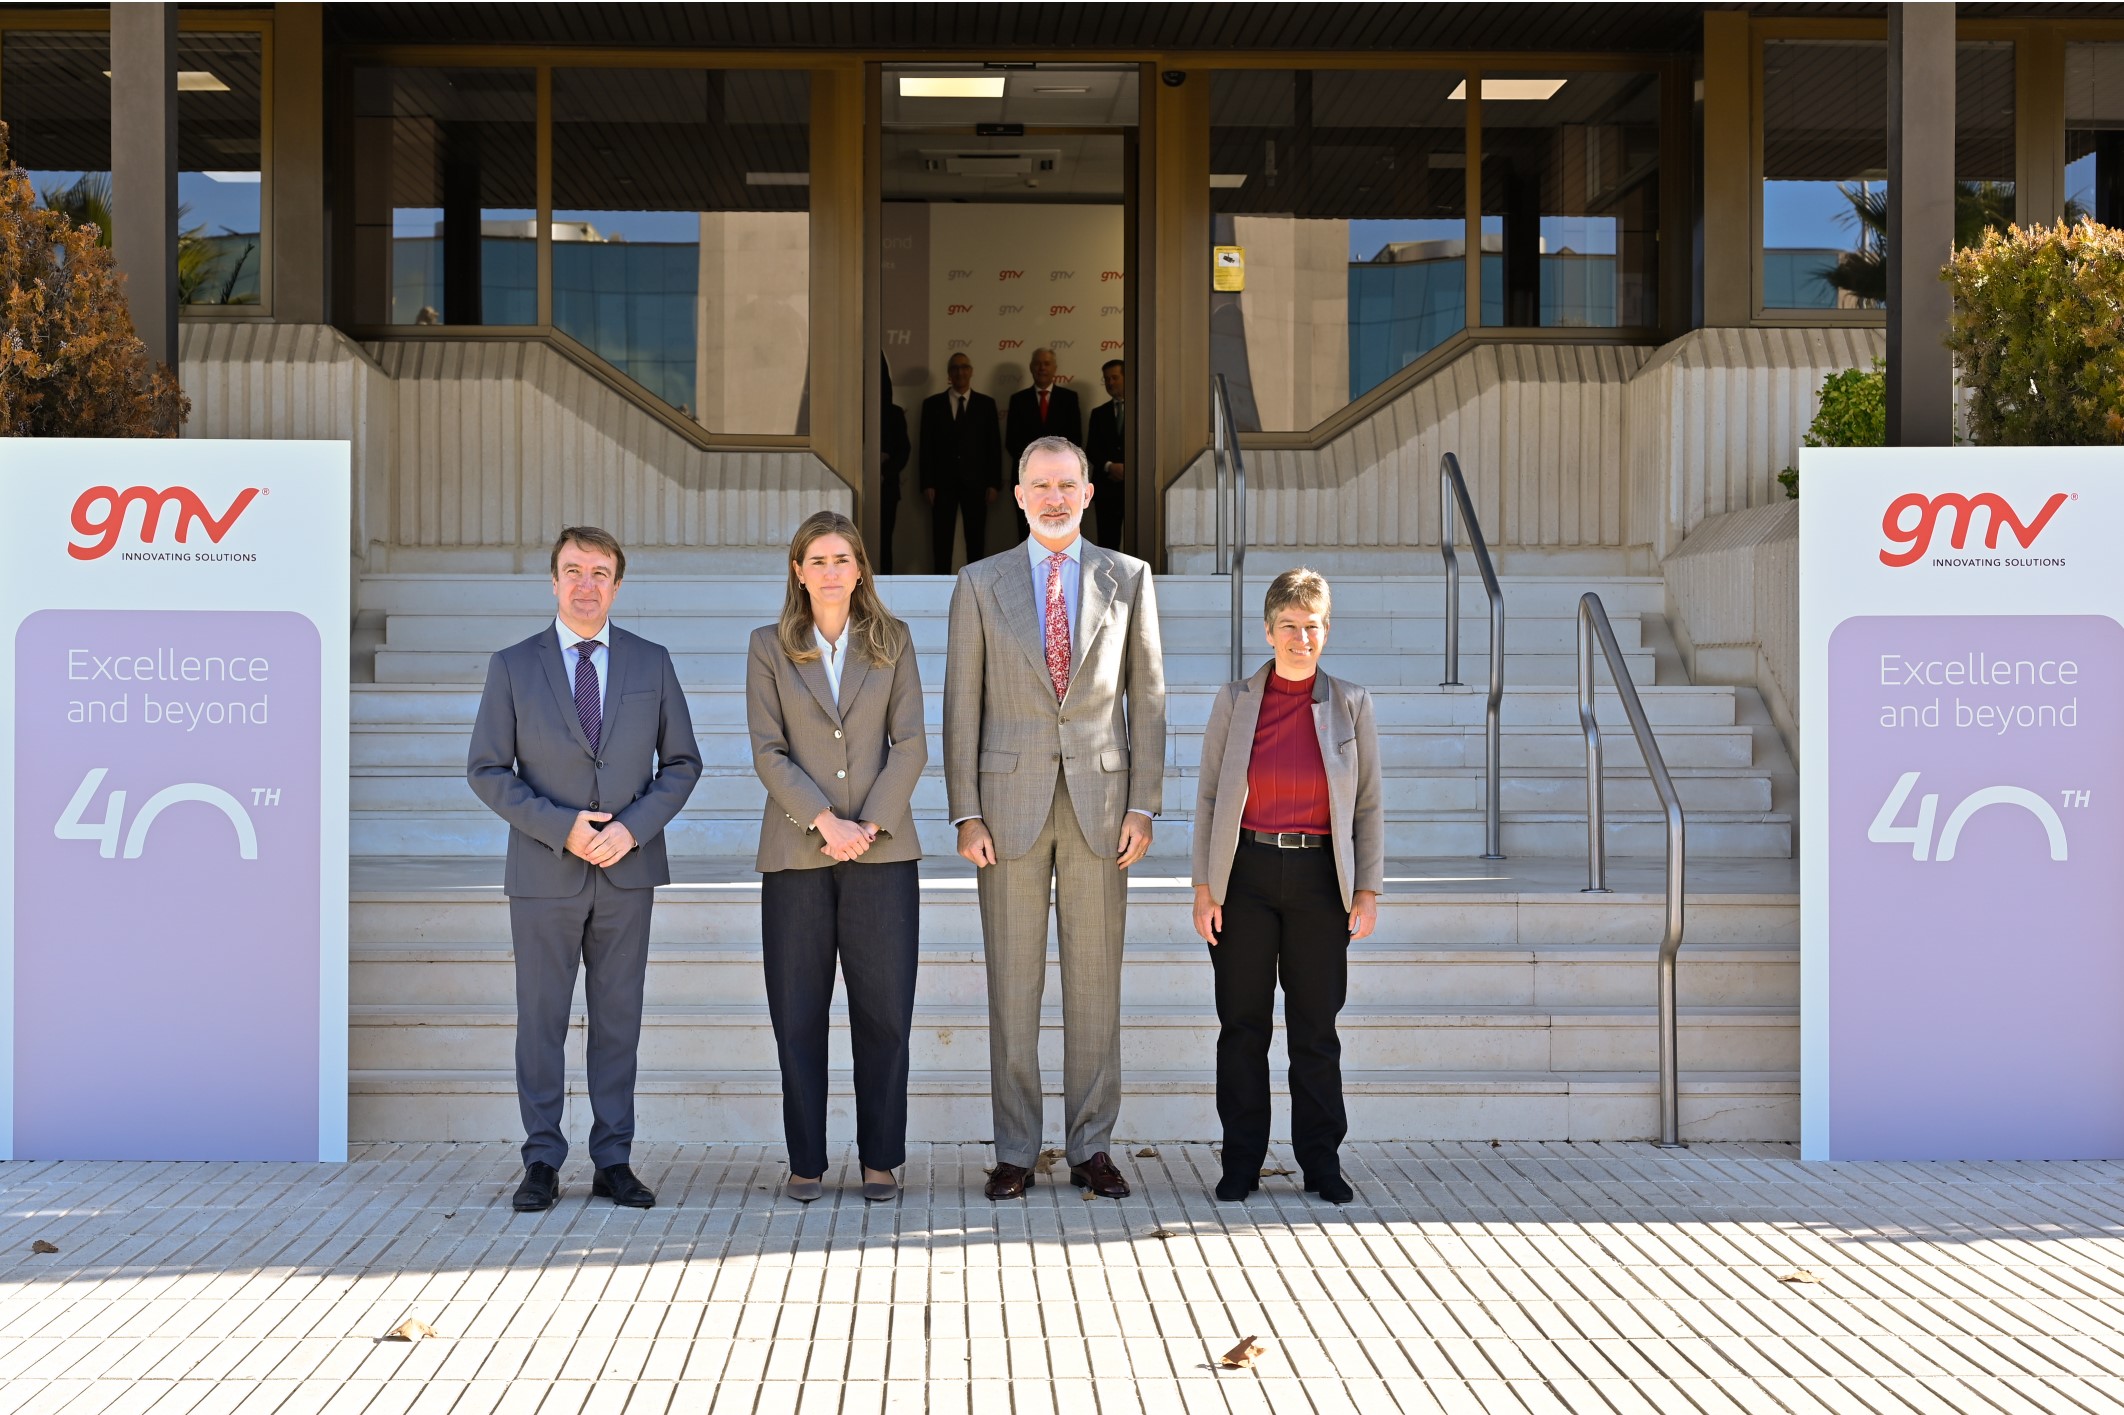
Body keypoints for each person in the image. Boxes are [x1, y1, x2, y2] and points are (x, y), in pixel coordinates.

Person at [943, 435, 1165, 1201]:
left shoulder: (1128, 578)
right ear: (1016, 494)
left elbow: (1150, 698)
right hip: (1005, 811)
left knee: (1095, 987)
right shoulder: (978, 583)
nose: (1055, 496)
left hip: (1104, 808)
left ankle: (1091, 1146)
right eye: (1040, 484)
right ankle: (1014, 1149)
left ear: (1089, 492)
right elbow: (960, 706)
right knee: (1013, 985)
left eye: (1067, 483)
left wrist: (1144, 800)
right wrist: (965, 811)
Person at [468, 526, 703, 1213]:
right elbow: (486, 768)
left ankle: (613, 1158)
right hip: (544, 871)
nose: (586, 583)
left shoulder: (651, 663)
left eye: (601, 572)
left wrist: (631, 828)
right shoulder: (512, 666)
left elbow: (682, 763)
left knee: (618, 1018)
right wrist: (560, 827)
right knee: (540, 1018)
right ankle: (541, 1157)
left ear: (618, 586)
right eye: (574, 570)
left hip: (627, 872)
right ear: (553, 580)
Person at [747, 511, 927, 1204]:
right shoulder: (768, 646)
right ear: (798, 570)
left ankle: (881, 1157)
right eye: (816, 559)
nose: (829, 570)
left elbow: (909, 744)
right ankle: (806, 1160)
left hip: (883, 855)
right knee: (797, 1011)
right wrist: (824, 821)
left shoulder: (893, 641)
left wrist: (867, 824)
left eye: (841, 558)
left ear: (859, 570)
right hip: (797, 852)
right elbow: (768, 749)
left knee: (884, 1010)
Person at [1190, 568, 1382, 1206]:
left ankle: (1321, 1163)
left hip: (1320, 879)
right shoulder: (1235, 699)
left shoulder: (1351, 702)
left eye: (1314, 626)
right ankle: (1241, 1161)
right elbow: (1211, 796)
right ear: (1269, 631)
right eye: (1291, 627)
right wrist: (1204, 887)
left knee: (1315, 1026)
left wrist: (1368, 890)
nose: (1303, 638)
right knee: (1241, 1024)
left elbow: (1369, 807)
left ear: (1327, 630)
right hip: (1244, 874)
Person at [919, 352, 1003, 574]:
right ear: (949, 374)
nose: (960, 372)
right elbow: (925, 447)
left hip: (977, 483)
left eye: (964, 367)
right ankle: (939, 589)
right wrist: (927, 482)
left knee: (976, 539)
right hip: (941, 483)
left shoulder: (986, 405)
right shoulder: (932, 405)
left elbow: (994, 447)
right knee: (941, 540)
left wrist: (994, 483)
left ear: (971, 371)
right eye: (955, 368)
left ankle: (976, 587)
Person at [1004, 348, 1083, 541]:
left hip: (1063, 480)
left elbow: (1076, 439)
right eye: (1038, 363)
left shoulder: (1069, 399)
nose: (1042, 368)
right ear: (1031, 368)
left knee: (1063, 529)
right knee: (1026, 531)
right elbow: (1011, 441)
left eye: (1047, 363)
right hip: (1028, 479)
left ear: (1055, 368)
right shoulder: (1018, 400)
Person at [1083, 359, 1126, 549]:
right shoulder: (1098, 413)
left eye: (1114, 378)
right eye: (1106, 379)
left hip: (1134, 488)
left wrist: (1127, 469)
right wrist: (1110, 466)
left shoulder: (1144, 409)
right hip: (1106, 488)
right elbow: (1092, 449)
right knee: (1107, 542)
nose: (1110, 383)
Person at [879, 356, 911, 575]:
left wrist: (884, 472)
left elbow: (903, 451)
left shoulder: (895, 413)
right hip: (854, 489)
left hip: (886, 487)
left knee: (884, 541)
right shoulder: (852, 414)